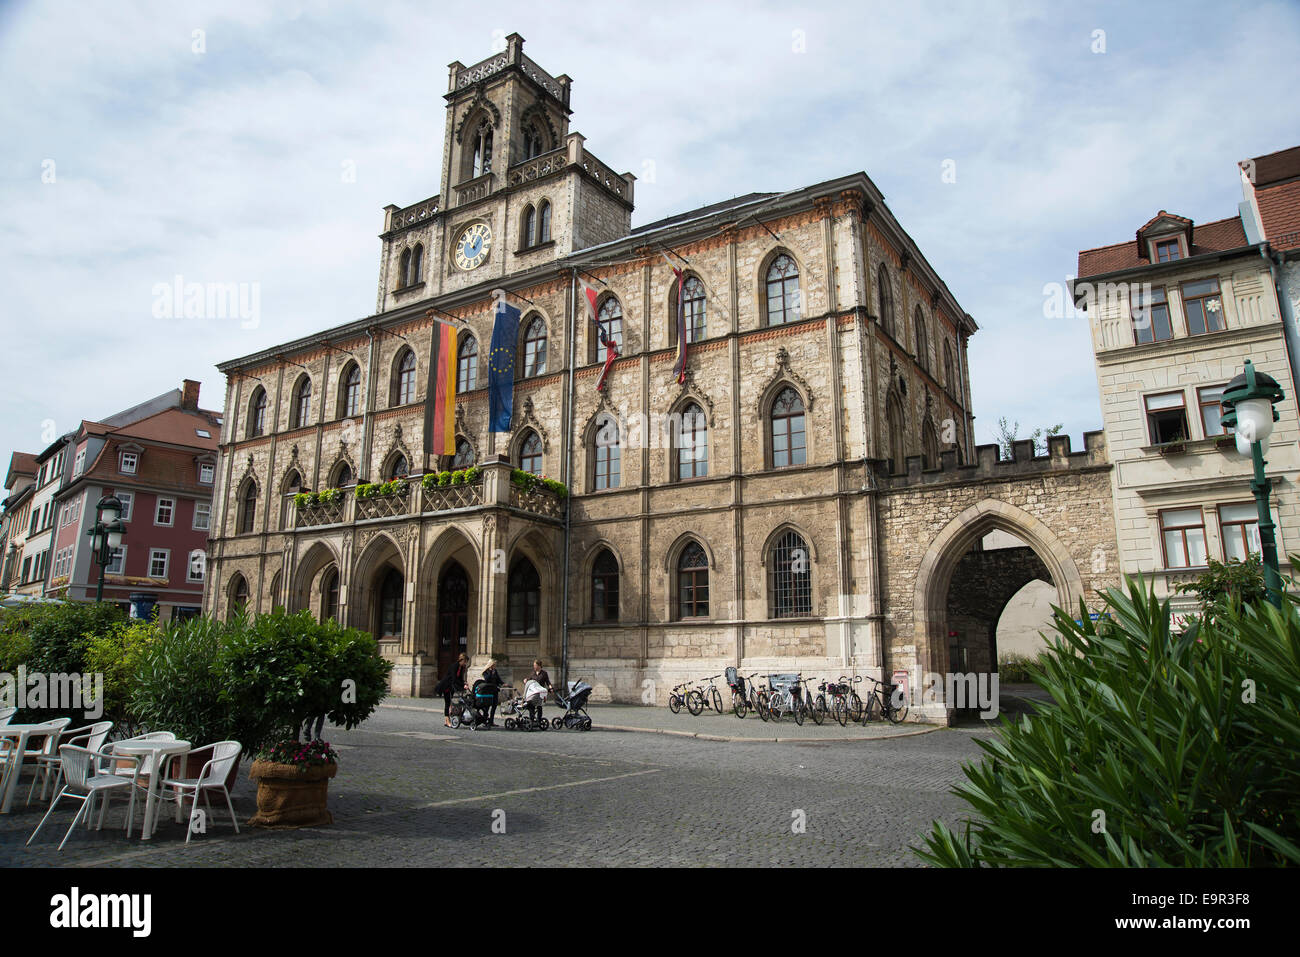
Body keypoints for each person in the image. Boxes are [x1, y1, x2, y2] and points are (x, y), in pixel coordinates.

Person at [440, 653, 470, 728]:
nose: (465, 663)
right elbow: (454, 678)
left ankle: (447, 719)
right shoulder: (454, 666)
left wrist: (464, 683)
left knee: (450, 702)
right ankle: (447, 720)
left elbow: (460, 678)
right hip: (447, 685)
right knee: (447, 702)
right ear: (462, 660)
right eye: (465, 661)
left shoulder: (461, 667)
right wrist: (463, 685)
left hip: (452, 686)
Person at [526, 658, 553, 724]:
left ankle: (539, 720)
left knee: (539, 707)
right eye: (534, 665)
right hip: (533, 693)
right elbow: (529, 680)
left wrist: (551, 688)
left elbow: (548, 682)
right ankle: (531, 719)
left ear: (539, 666)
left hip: (540, 693)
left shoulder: (544, 673)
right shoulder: (533, 673)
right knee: (531, 706)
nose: (534, 667)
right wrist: (526, 680)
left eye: (535, 665)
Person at [479, 659, 503, 727]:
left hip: (494, 690)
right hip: (488, 691)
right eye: (494, 665)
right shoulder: (486, 672)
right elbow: (486, 679)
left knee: (494, 706)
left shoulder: (495, 671)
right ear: (491, 665)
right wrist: (490, 672)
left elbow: (498, 679)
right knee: (487, 706)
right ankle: (485, 720)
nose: (495, 666)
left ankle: (491, 721)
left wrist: (503, 683)